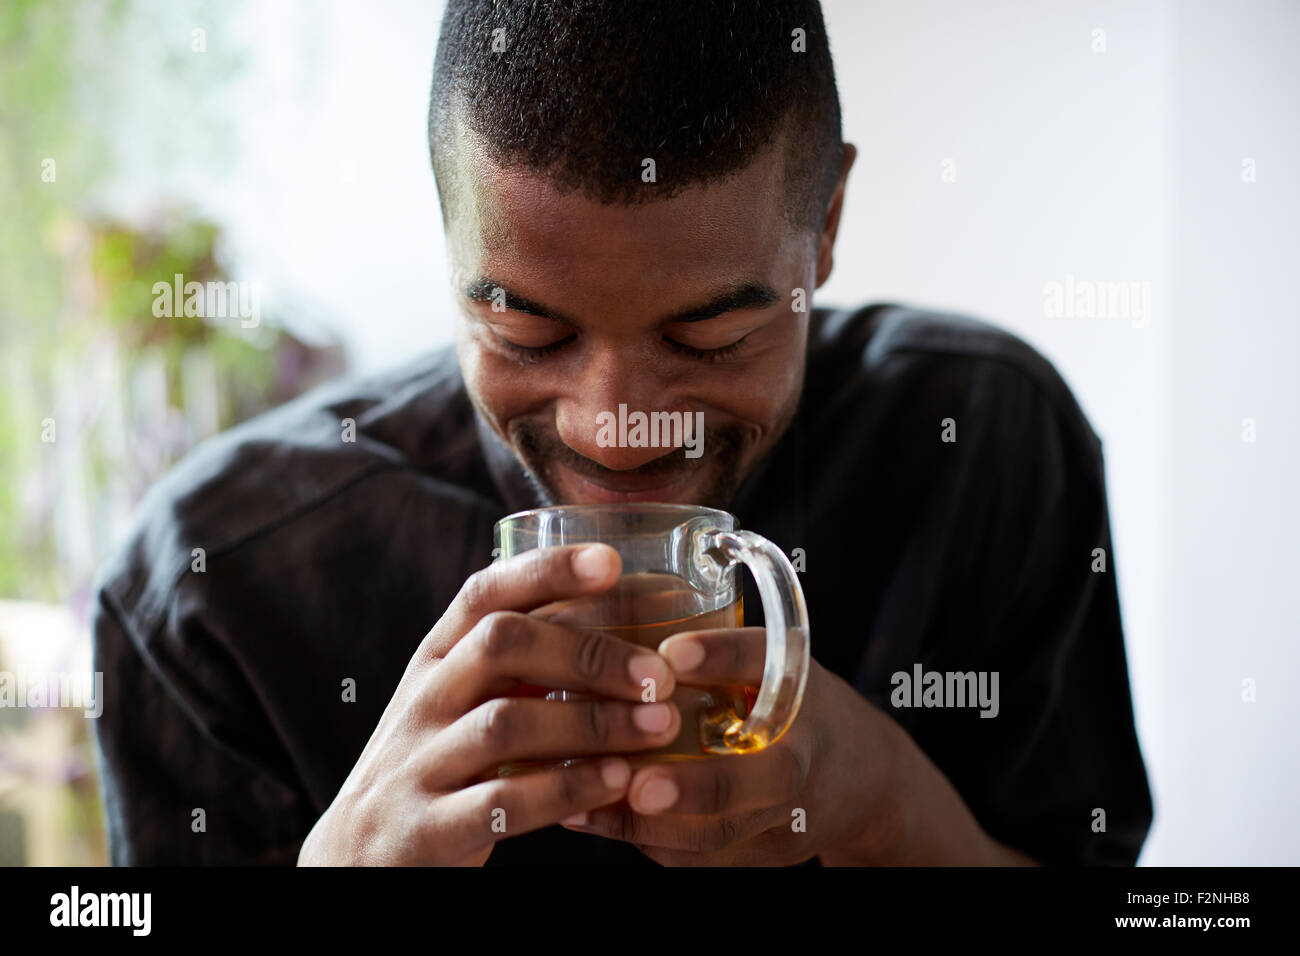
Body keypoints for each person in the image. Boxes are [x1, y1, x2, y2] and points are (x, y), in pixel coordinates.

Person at [91, 0, 1152, 866]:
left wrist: (883, 804)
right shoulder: (209, 589)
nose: (616, 427)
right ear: (449, 239)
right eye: (523, 328)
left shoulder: (983, 444)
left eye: (711, 334)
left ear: (823, 227)